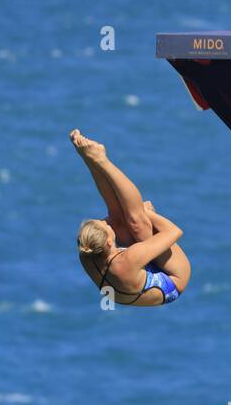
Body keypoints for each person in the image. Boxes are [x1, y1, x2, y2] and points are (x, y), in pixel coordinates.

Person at [73, 130, 190, 306]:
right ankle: (102, 159)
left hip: (127, 282)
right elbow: (174, 231)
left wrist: (113, 223)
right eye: (107, 226)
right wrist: (148, 213)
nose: (107, 223)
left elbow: (110, 224)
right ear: (109, 243)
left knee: (118, 217)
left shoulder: (87, 250)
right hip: (172, 281)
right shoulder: (127, 260)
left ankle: (91, 159)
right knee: (137, 221)